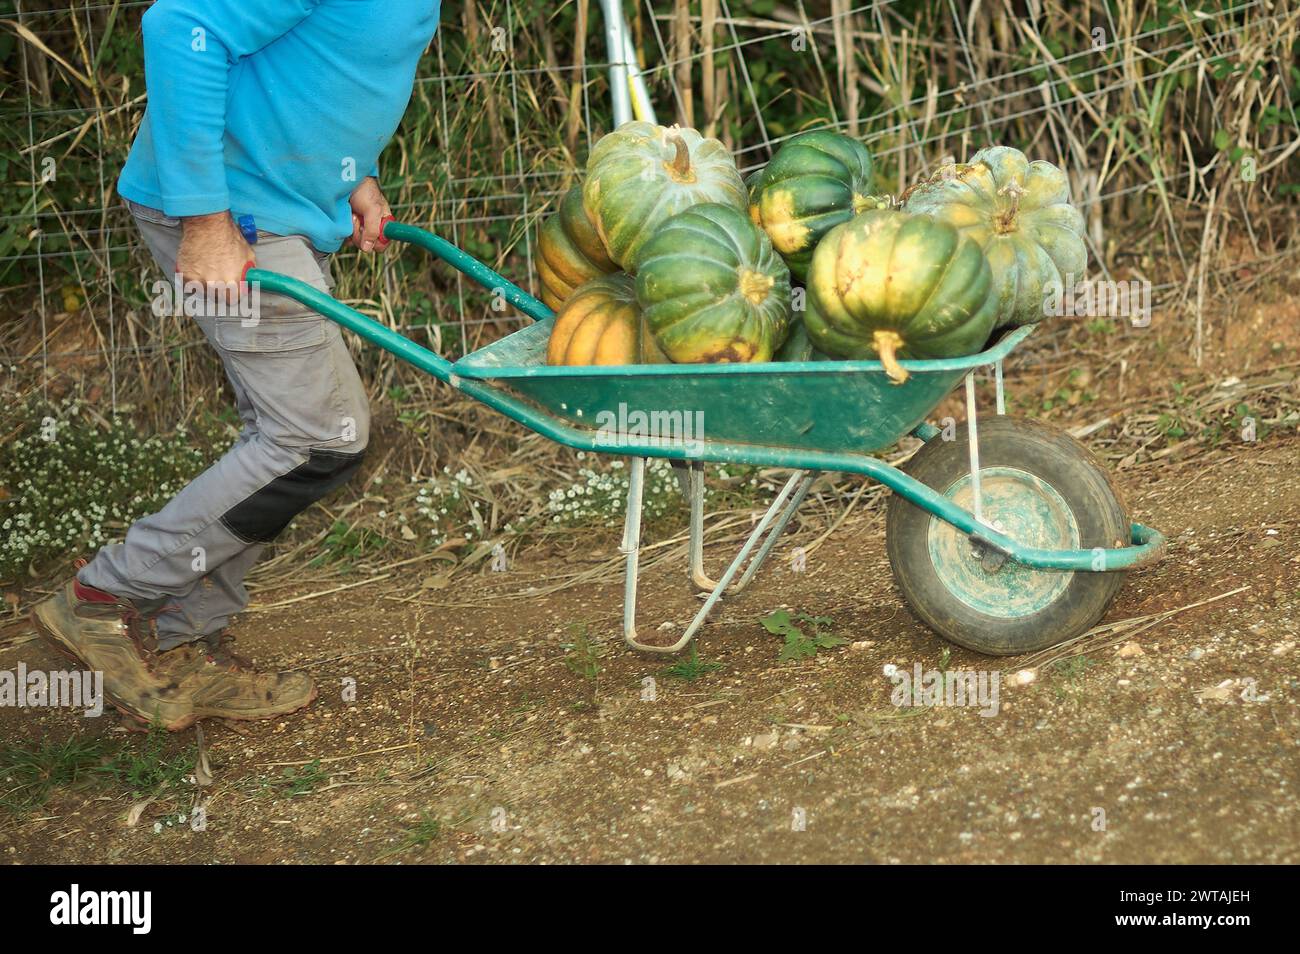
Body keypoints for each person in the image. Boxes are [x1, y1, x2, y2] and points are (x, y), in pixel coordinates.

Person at [33, 0, 443, 730]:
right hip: (237, 215)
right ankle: (106, 597)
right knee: (318, 438)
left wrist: (355, 176)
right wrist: (204, 217)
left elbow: (330, 63)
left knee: (286, 441)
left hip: (280, 206)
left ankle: (179, 637)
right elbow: (179, 27)